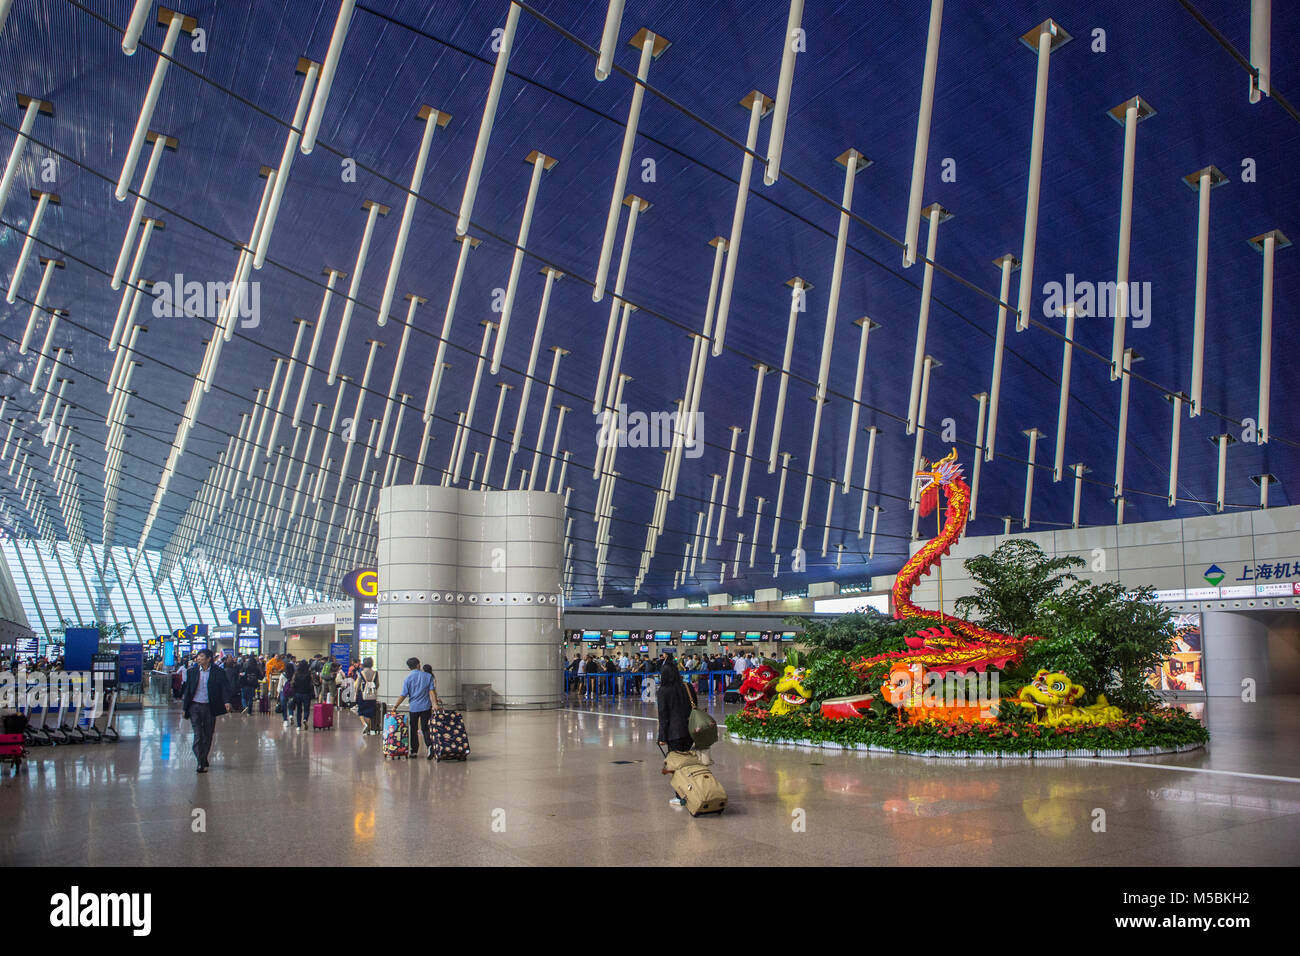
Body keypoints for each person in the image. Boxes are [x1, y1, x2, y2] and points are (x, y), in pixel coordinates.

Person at [181, 649, 233, 773]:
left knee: (208, 734)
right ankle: (200, 761)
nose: (198, 658)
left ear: (209, 658)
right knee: (198, 734)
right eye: (198, 656)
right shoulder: (192, 672)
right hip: (195, 706)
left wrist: (227, 701)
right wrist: (184, 708)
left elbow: (224, 688)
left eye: (201, 656)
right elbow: (187, 691)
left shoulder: (218, 672)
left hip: (210, 706)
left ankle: (203, 757)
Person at [656, 659, 696, 807]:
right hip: (690, 731)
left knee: (677, 766)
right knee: (688, 764)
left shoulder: (663, 691)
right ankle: (693, 791)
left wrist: (662, 736)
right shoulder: (687, 686)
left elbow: (663, 715)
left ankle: (680, 796)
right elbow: (695, 706)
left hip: (674, 733)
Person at [393, 657, 442, 760]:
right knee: (425, 728)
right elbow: (432, 692)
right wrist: (435, 704)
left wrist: (395, 706)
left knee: (414, 729)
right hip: (426, 707)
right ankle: (429, 746)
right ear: (418, 665)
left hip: (414, 708)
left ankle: (414, 751)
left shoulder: (407, 679)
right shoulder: (428, 676)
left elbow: (403, 694)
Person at [355, 657, 379, 735]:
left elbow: (358, 685)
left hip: (363, 695)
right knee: (369, 712)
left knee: (361, 712)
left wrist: (356, 694)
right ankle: (368, 730)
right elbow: (377, 685)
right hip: (372, 696)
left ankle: (365, 725)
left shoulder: (361, 672)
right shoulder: (375, 673)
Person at [289, 660, 314, 731]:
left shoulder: (296, 674)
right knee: (306, 708)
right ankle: (305, 719)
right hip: (306, 694)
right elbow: (311, 684)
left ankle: (298, 726)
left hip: (297, 694)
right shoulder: (309, 674)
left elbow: (292, 684)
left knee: (299, 710)